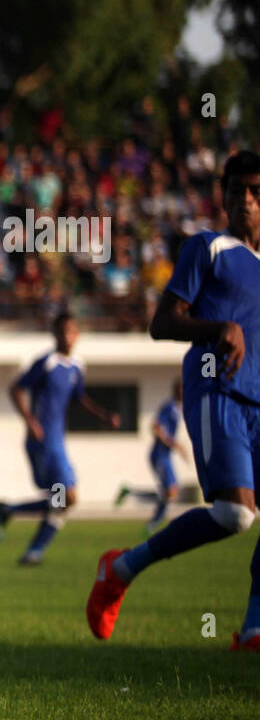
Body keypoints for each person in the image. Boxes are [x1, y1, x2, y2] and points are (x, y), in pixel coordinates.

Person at [89, 151, 260, 649]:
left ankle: (252, 630)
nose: (245, 200)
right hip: (217, 390)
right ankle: (119, 569)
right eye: (236, 191)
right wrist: (219, 328)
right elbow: (162, 323)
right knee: (235, 515)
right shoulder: (207, 248)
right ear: (223, 197)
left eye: (255, 191)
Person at [0, 312, 121, 565]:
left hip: (57, 442)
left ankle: (27, 541)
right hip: (43, 442)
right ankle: (18, 525)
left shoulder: (77, 366)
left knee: (61, 501)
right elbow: (16, 388)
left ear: (78, 334)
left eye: (71, 331)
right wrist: (30, 421)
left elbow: (78, 398)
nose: (67, 336)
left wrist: (103, 415)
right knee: (65, 497)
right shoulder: (46, 362)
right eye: (62, 331)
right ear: (54, 334)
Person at [115, 378, 190, 534]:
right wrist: (172, 443)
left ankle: (149, 520)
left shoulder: (177, 408)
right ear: (176, 390)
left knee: (171, 493)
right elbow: (155, 426)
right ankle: (150, 521)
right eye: (181, 389)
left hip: (166, 456)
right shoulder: (169, 407)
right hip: (160, 455)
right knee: (170, 491)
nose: (184, 393)